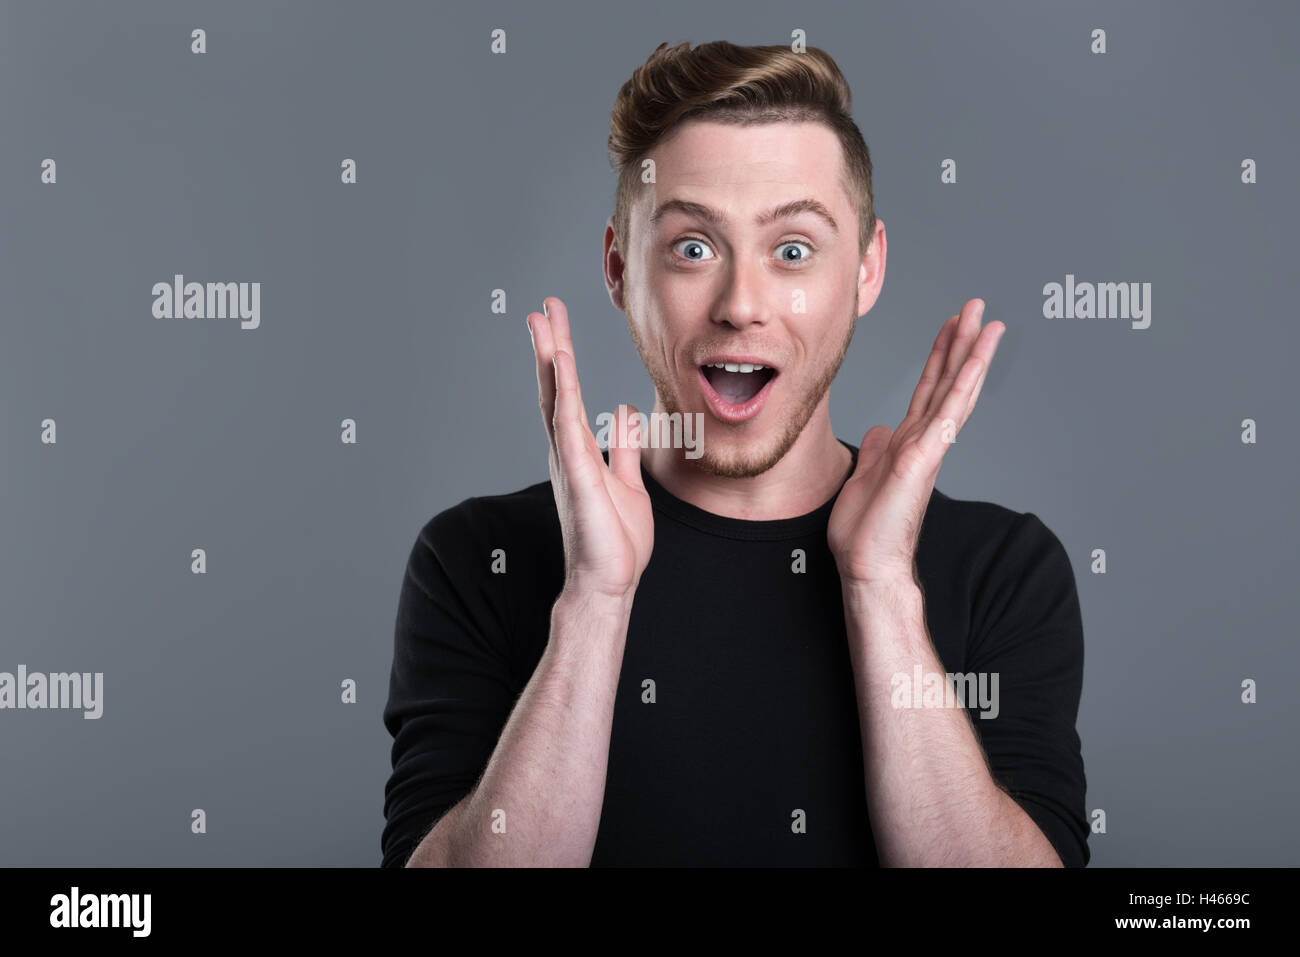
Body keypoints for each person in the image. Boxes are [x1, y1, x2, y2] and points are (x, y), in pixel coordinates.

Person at [381, 40, 1089, 867]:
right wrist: (595, 602)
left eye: (793, 249)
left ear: (866, 270)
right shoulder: (477, 559)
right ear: (619, 268)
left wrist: (881, 588)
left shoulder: (1005, 568)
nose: (741, 304)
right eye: (693, 247)